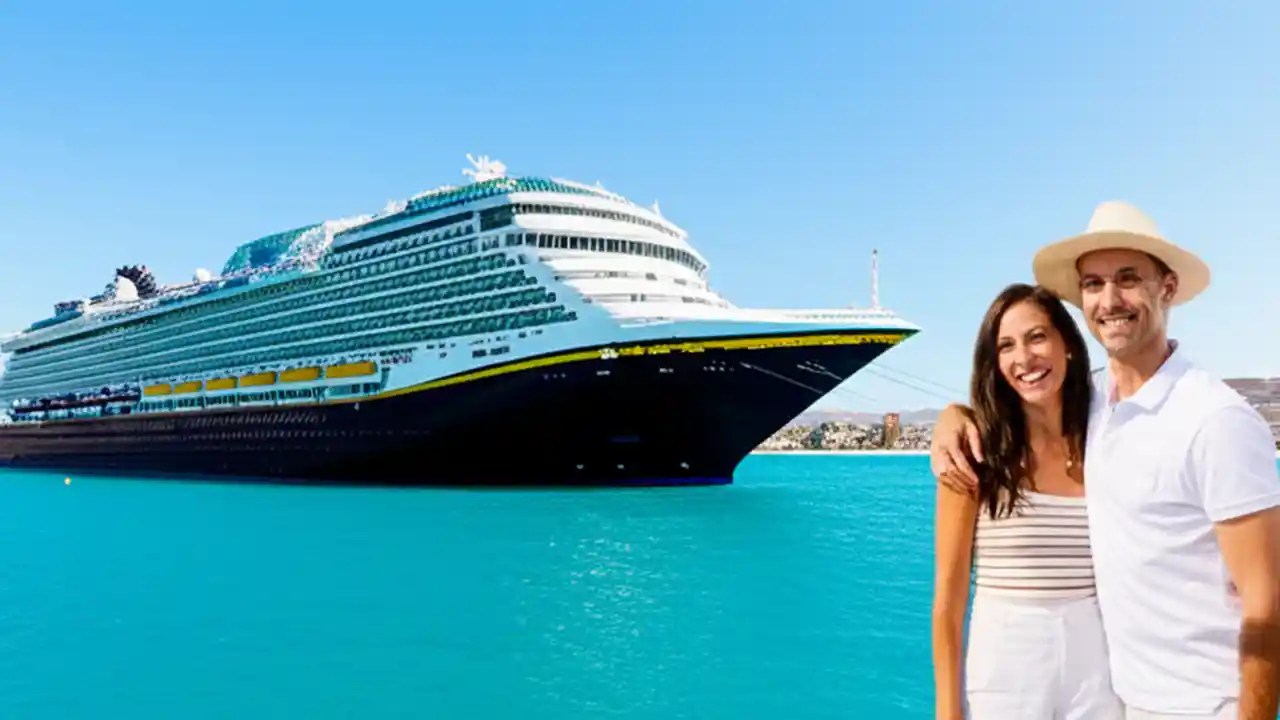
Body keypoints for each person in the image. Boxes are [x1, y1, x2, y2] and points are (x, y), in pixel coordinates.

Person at [931, 200, 1280, 719]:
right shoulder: (1096, 409)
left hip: (1204, 704)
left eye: (1128, 278)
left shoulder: (1215, 420)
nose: (1110, 299)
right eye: (1093, 284)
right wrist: (952, 415)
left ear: (1168, 287)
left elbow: (1267, 602)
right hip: (1121, 695)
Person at [933, 282, 1123, 720]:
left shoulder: (1106, 440)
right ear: (994, 364)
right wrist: (947, 711)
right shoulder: (974, 455)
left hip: (1099, 667)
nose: (1024, 358)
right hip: (1005, 670)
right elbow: (949, 598)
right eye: (1006, 346)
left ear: (1068, 345)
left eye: (1037, 337)